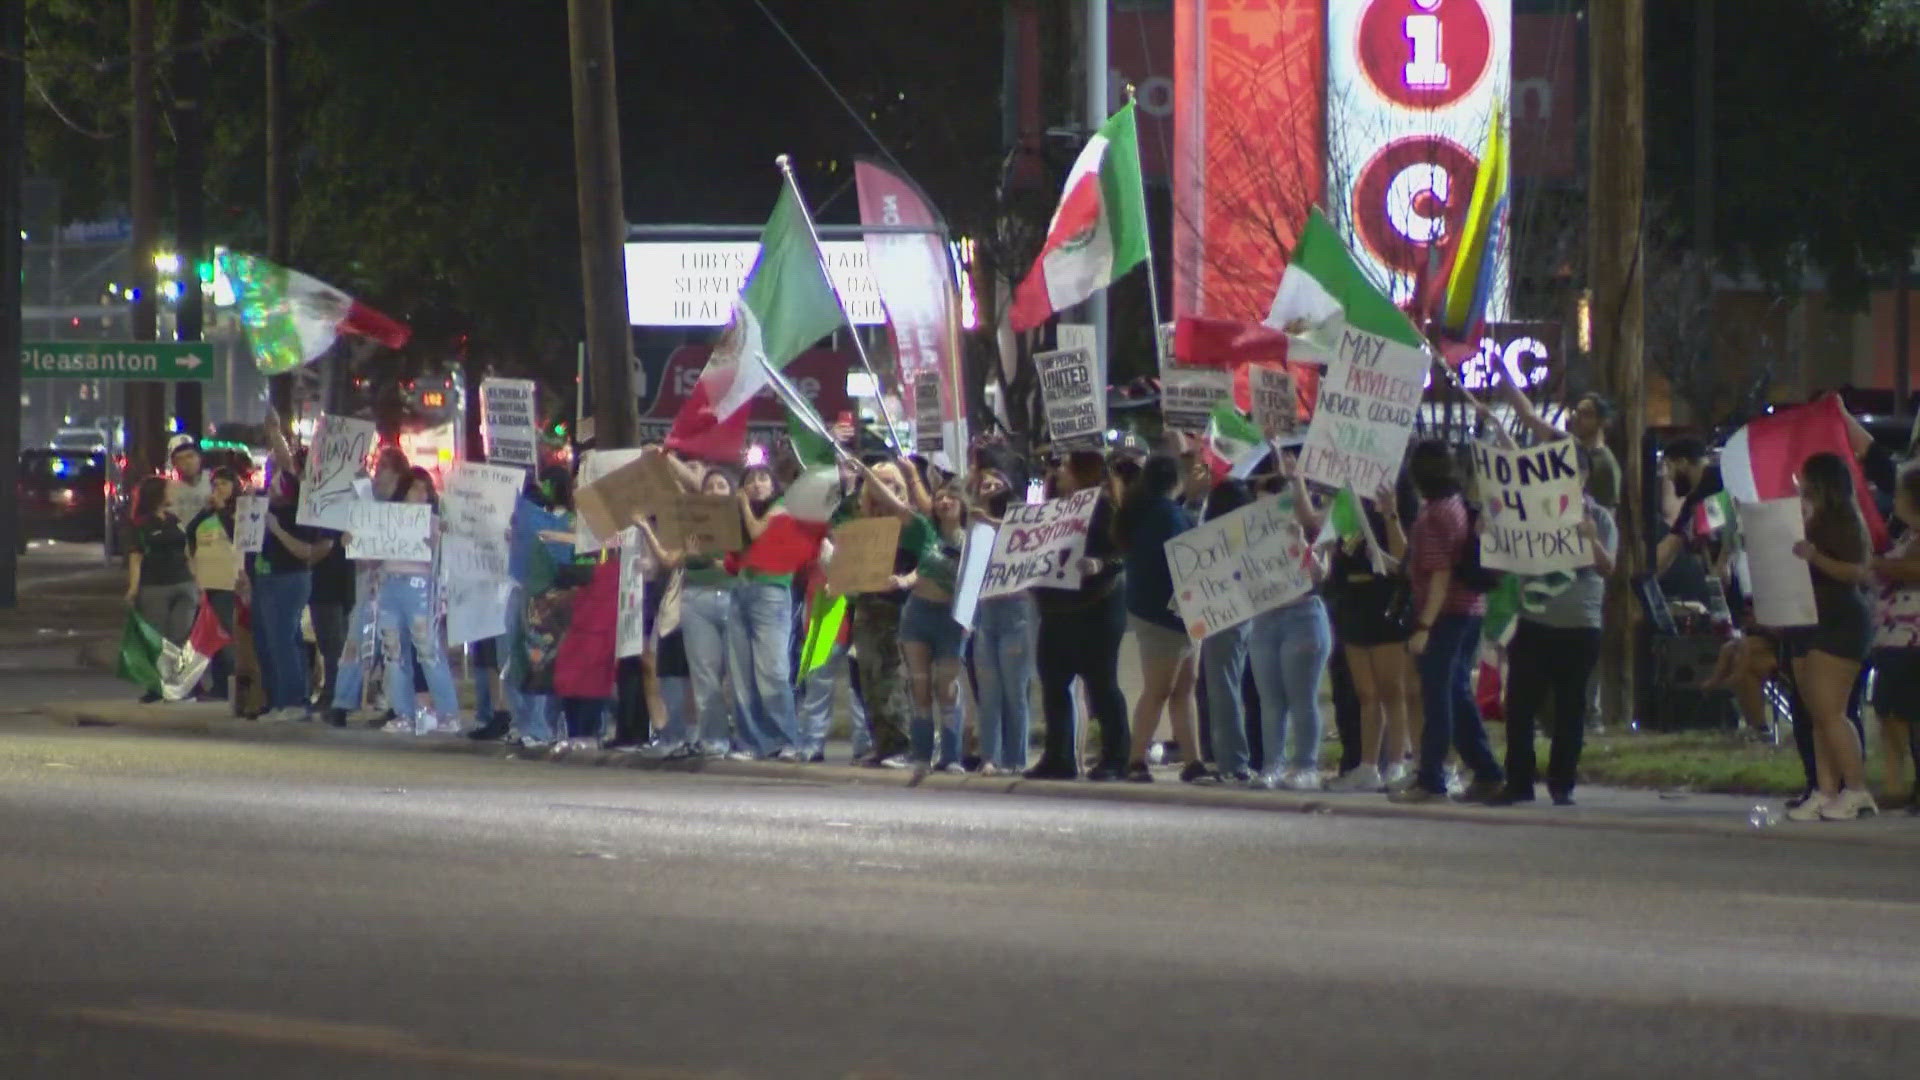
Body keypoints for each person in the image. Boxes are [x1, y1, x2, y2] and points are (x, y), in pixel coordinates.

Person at [1390, 440, 1505, 804]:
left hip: (1445, 616)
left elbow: (1439, 575)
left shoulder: (1433, 516)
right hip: (1471, 609)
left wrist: (1423, 626)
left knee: (1438, 697)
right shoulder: (1457, 507)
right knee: (1457, 695)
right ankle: (1486, 771)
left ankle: (1431, 778)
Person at [1494, 474, 1618, 806]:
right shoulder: (1533, 512)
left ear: (1585, 476)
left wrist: (1591, 539)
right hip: (1535, 620)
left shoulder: (1600, 517)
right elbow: (1506, 557)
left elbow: (1608, 567)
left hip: (1580, 625)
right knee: (1519, 706)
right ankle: (1518, 782)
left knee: (1570, 706)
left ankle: (1562, 784)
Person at [1783, 452, 1877, 821]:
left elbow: (1856, 571)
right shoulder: (1809, 518)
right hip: (1807, 618)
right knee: (1817, 714)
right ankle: (1825, 789)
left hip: (1839, 620)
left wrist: (1815, 557)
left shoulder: (1843, 521)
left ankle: (1857, 789)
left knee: (1831, 710)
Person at [1025, 450, 1129, 781]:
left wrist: (1101, 564)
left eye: (1066, 467)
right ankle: (1058, 757)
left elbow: (1124, 551)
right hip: (1056, 611)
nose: (1060, 472)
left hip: (1096, 609)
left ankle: (1115, 758)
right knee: (1054, 683)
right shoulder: (1051, 508)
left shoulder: (1104, 509)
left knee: (1101, 685)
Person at [1244, 458, 1334, 791]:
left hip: (1303, 617)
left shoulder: (1311, 531)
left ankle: (1306, 766)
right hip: (1265, 621)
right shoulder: (1249, 537)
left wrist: (1301, 544)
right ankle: (1272, 765)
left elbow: (1322, 575)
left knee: (1302, 697)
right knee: (1270, 701)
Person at [1115, 454, 1205, 783]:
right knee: (1160, 690)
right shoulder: (1170, 516)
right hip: (1169, 615)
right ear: (1175, 482)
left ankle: (1193, 761)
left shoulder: (1139, 513)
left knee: (1182, 688)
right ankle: (1136, 759)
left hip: (1156, 611)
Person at [840, 458, 934, 768]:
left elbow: (925, 564)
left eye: (892, 484)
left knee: (894, 678)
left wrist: (868, 473)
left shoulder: (912, 524)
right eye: (880, 485)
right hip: (868, 608)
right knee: (869, 678)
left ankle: (904, 743)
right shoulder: (863, 527)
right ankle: (883, 742)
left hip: (901, 608)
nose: (884, 491)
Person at [1325, 482, 1413, 792]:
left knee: (1392, 689)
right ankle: (1367, 765)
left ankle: (1398, 763)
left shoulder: (1398, 498)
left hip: (1385, 604)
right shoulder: (1347, 504)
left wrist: (1390, 514)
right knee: (1365, 693)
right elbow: (1337, 552)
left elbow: (1404, 559)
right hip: (1353, 604)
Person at [728, 464, 803, 761]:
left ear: (774, 485)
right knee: (741, 673)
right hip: (741, 591)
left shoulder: (783, 508)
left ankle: (785, 739)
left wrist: (743, 504)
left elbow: (759, 534)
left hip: (771, 592)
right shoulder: (740, 518)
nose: (756, 484)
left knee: (772, 671)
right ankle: (751, 742)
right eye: (750, 480)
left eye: (763, 478)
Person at [966, 467, 1035, 775]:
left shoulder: (1021, 520)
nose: (990, 488)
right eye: (985, 484)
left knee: (1014, 692)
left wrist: (989, 521)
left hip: (1015, 614)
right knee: (989, 692)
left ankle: (1015, 759)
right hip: (985, 614)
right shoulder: (975, 525)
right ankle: (989, 757)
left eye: (996, 484)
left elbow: (1017, 534)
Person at [899, 482, 970, 773]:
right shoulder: (927, 534)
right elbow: (921, 571)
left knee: (947, 689)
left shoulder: (973, 538)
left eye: (951, 496)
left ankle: (951, 755)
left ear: (963, 503)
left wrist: (969, 618)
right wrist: (904, 581)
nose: (944, 501)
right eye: (939, 497)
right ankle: (921, 754)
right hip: (918, 614)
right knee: (919, 685)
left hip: (952, 620)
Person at [250, 462, 326, 721]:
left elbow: (305, 552)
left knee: (284, 639)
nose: (269, 488)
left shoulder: (297, 514)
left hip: (289, 578)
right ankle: (277, 700)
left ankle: (294, 701)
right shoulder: (264, 510)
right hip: (266, 577)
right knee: (270, 641)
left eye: (276, 485)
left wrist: (277, 530)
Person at [1195, 479, 1257, 783]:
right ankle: (1238, 759)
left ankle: (1232, 762)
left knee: (1223, 690)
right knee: (1233, 689)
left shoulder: (1217, 539)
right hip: (1242, 615)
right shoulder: (1250, 534)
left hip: (1224, 616)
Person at [1868, 466, 1920, 811]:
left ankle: (1901, 783)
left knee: (1907, 713)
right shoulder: (1907, 535)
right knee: (1890, 711)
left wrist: (1877, 565)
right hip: (1892, 639)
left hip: (1911, 639)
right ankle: (1900, 783)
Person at [126, 476, 199, 703]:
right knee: (158, 638)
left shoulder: (174, 520)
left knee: (181, 635)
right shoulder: (141, 525)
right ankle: (156, 686)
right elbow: (136, 558)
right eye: (169, 490)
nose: (173, 493)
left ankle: (179, 686)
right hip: (155, 585)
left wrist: (197, 580)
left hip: (183, 583)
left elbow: (187, 551)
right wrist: (133, 588)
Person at [185, 468, 244, 702]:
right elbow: (191, 532)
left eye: (224, 484)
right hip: (205, 583)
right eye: (215, 484)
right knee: (209, 637)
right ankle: (213, 685)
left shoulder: (239, 510)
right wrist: (207, 511)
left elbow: (236, 534)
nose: (218, 489)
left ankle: (225, 687)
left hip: (228, 582)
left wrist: (220, 509)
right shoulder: (207, 514)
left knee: (226, 637)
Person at [166, 434, 214, 525]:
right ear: (174, 463)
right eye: (180, 459)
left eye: (190, 456)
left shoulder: (214, 481)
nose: (187, 462)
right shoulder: (167, 489)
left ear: (199, 458)